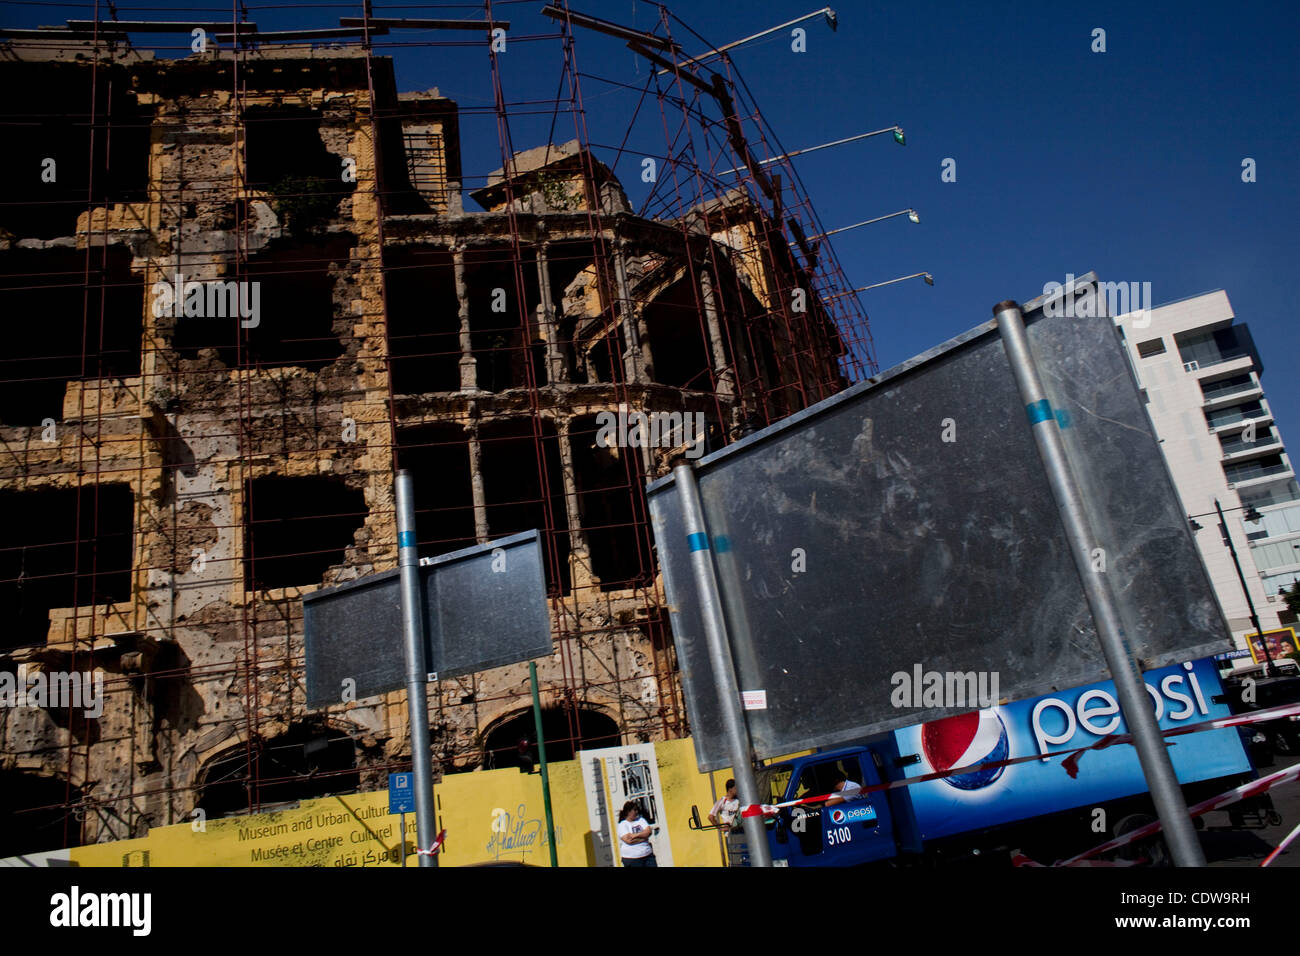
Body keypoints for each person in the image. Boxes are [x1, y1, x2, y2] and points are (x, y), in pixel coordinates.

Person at [617, 800, 657, 867]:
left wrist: (635, 835)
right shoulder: (623, 824)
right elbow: (629, 840)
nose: (637, 812)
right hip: (632, 859)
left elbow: (649, 832)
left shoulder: (641, 820)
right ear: (628, 812)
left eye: (637, 810)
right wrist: (644, 837)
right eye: (634, 810)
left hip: (648, 856)